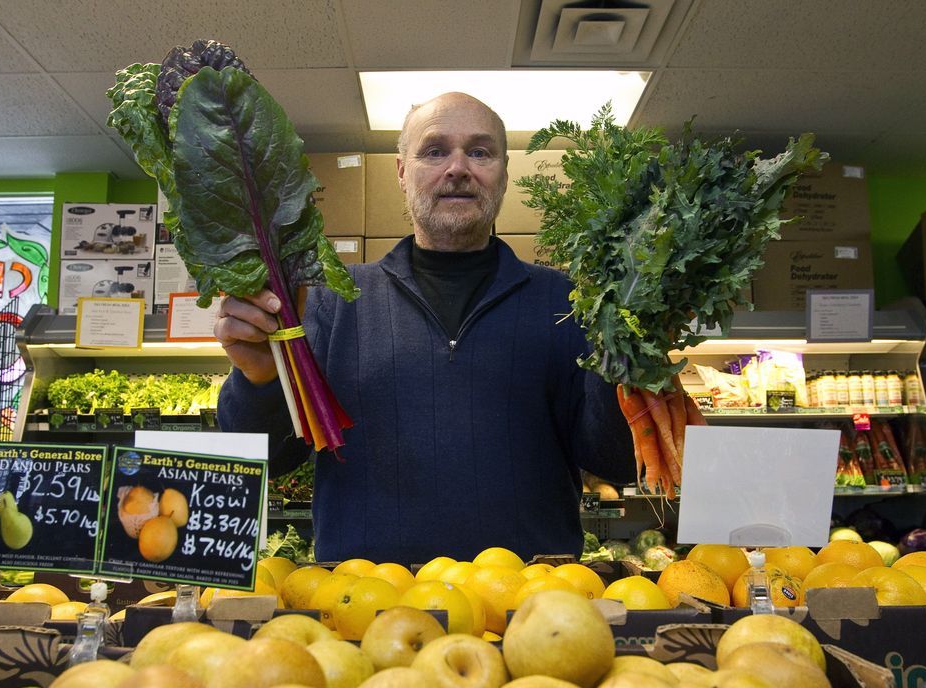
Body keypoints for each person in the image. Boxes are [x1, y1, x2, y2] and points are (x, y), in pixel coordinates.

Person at [215, 92, 635, 565]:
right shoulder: (332, 301)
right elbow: (263, 457)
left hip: (531, 605)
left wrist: (633, 361)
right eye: (435, 151)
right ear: (401, 172)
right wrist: (258, 381)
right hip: (363, 608)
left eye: (479, 152)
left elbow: (615, 462)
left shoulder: (568, 302)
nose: (457, 167)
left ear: (503, 174)